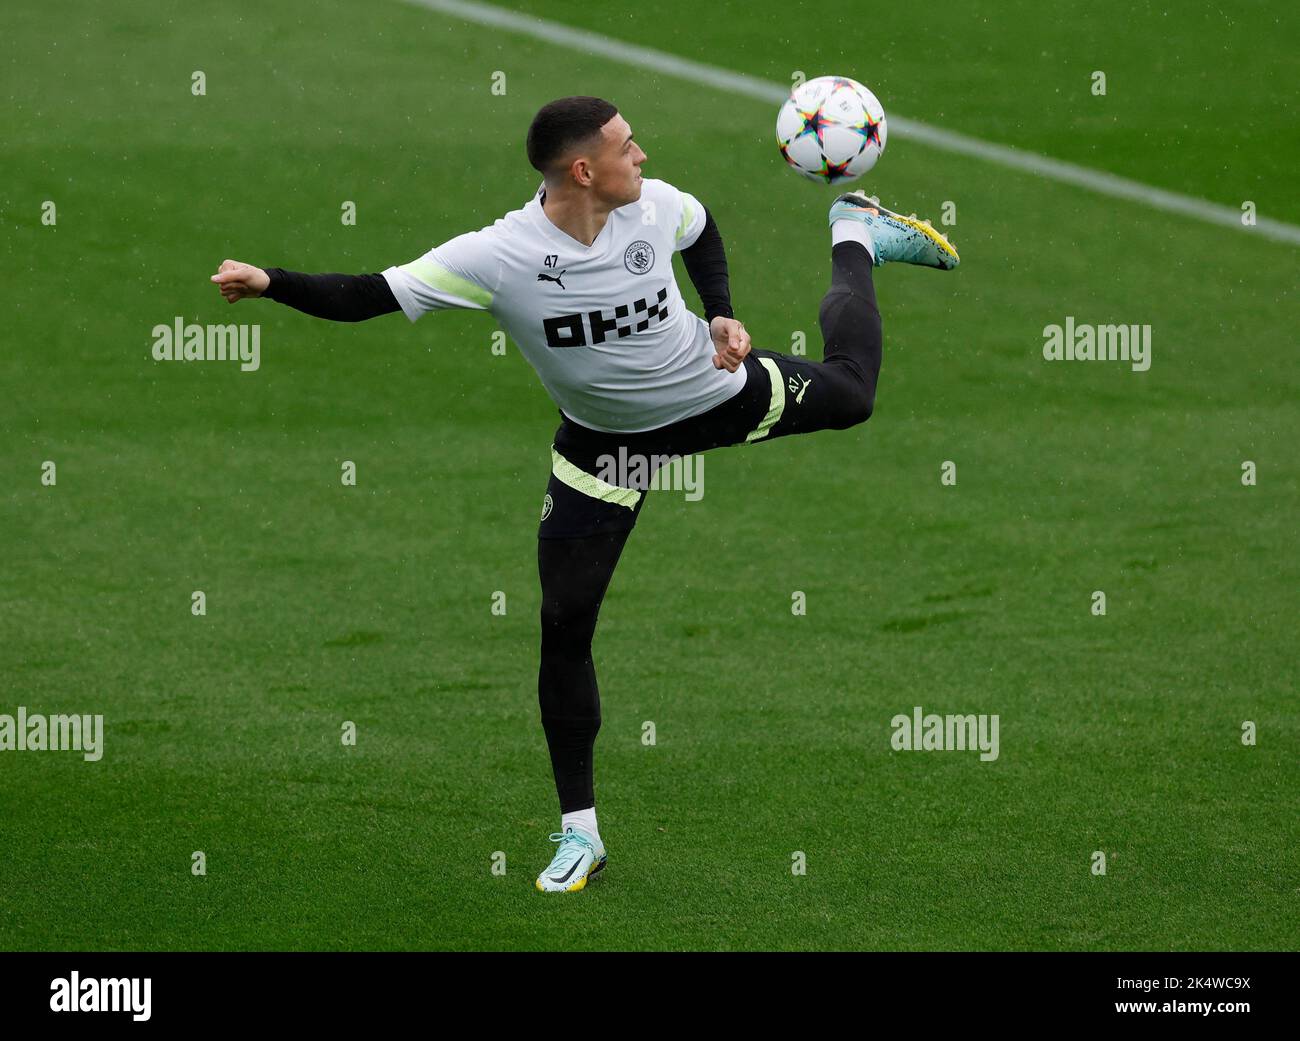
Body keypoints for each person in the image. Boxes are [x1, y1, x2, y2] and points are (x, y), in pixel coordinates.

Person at [210, 95, 958, 894]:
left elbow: (700, 231)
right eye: (626, 147)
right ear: (583, 169)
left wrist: (724, 315)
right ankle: (581, 835)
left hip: (714, 398)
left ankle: (855, 232)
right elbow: (370, 293)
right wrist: (270, 282)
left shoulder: (652, 206)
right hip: (608, 455)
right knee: (564, 627)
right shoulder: (497, 255)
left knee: (853, 395)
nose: (642, 156)